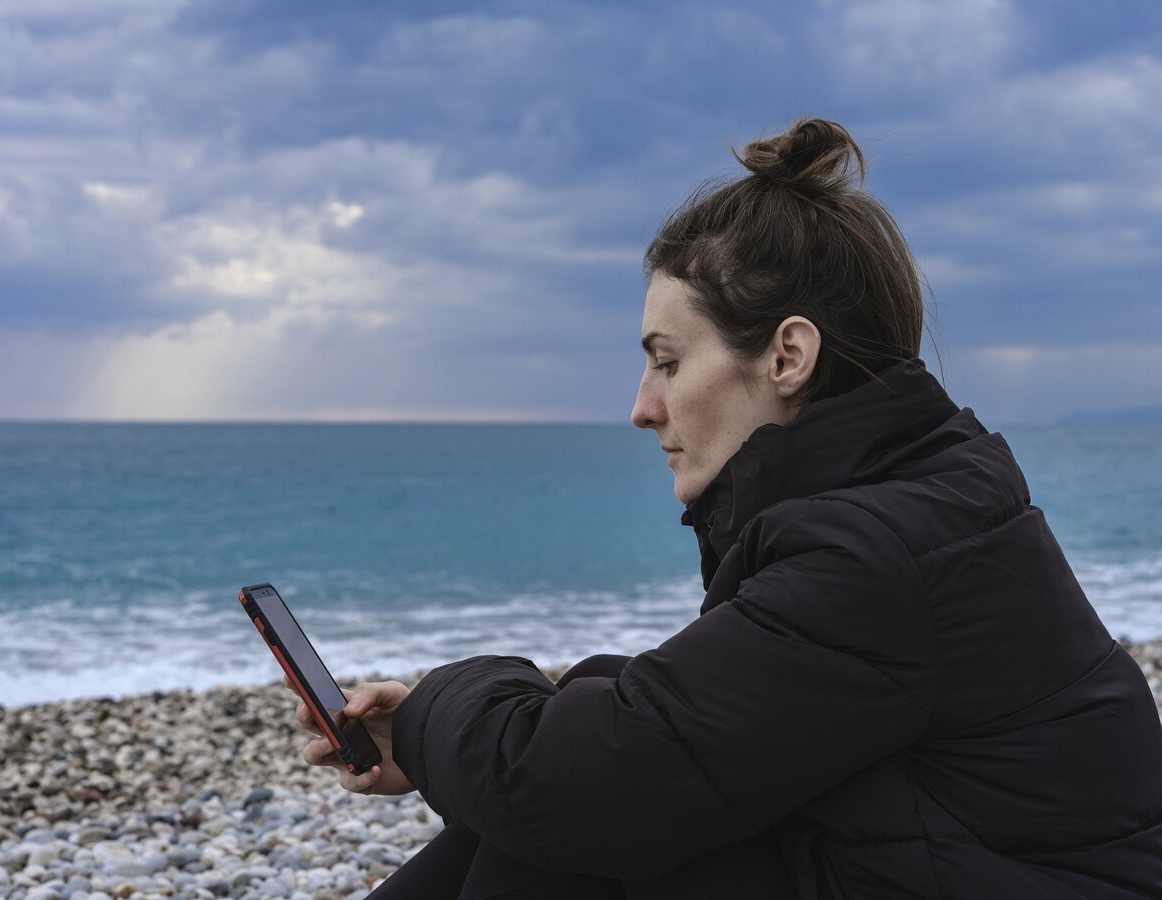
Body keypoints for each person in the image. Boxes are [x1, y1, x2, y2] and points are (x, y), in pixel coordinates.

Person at [288, 118, 1162, 898]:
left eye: (668, 362)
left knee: (600, 821)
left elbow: (585, 785)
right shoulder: (919, 498)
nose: (642, 406)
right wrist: (439, 738)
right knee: (615, 775)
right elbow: (697, 721)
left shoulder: (874, 550)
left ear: (788, 355)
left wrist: (444, 703)